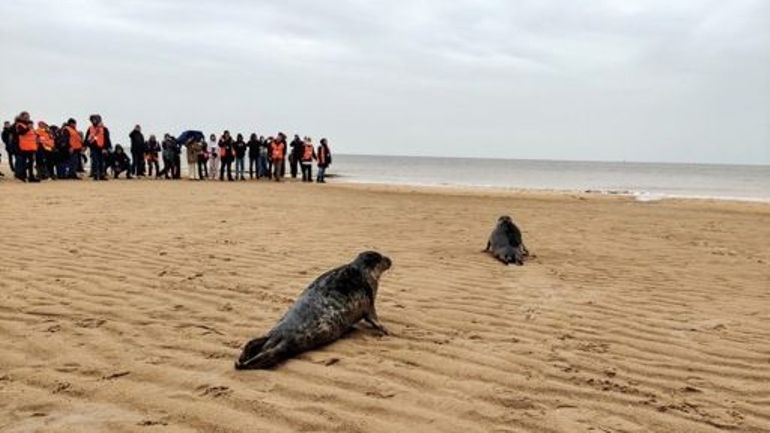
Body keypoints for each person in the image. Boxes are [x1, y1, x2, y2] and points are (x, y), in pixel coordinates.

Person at [14, 112, 39, 182]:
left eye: (28, 116)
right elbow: (21, 133)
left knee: (31, 163)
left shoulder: (29, 125)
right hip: (24, 147)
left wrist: (37, 138)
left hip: (31, 147)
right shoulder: (20, 124)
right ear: (21, 117)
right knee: (24, 162)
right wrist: (28, 128)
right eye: (25, 117)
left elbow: (34, 134)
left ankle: (31, 177)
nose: (27, 118)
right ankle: (22, 175)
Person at [85, 114, 111, 181]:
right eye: (93, 120)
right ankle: (95, 174)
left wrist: (107, 148)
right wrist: (85, 145)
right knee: (95, 161)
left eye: (95, 119)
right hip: (93, 147)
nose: (94, 121)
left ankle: (102, 174)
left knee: (101, 161)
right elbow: (87, 138)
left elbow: (107, 139)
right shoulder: (90, 128)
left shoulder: (104, 129)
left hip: (102, 147)